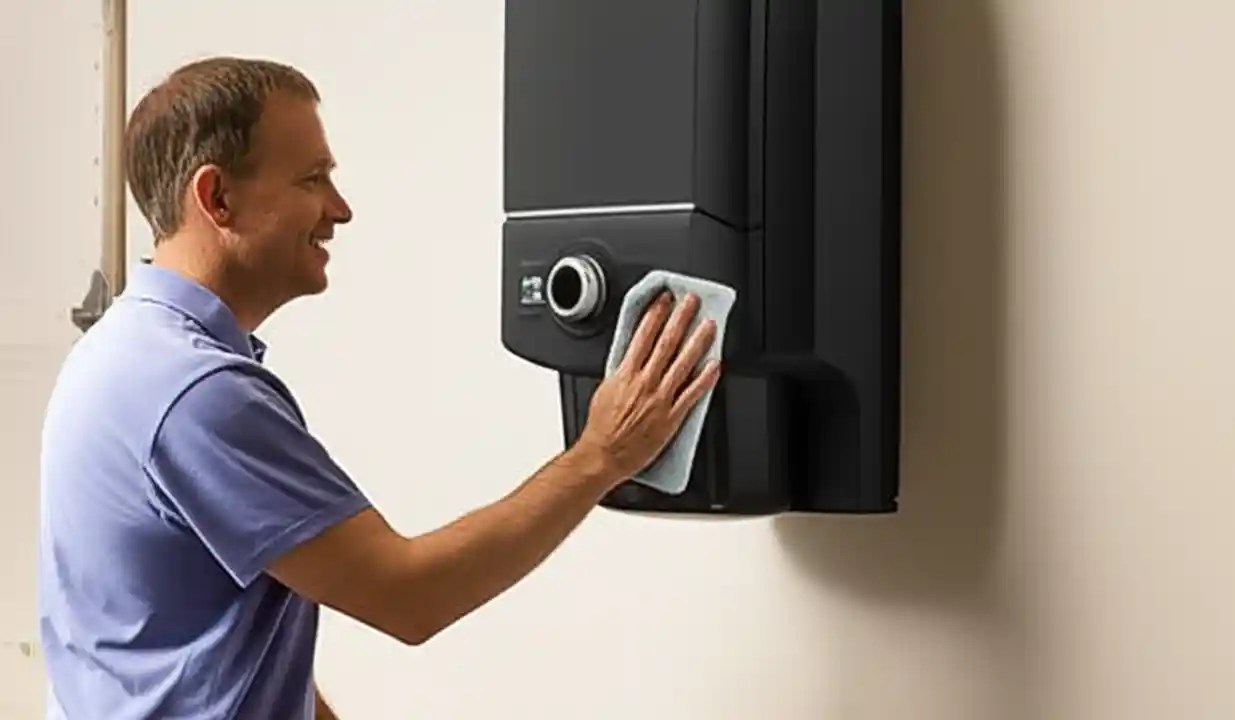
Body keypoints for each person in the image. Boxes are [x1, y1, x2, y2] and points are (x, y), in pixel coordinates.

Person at [37, 56, 722, 719]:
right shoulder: (197, 393)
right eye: (312, 179)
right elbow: (409, 596)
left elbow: (206, 644)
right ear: (217, 197)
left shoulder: (115, 354)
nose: (340, 210)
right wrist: (602, 456)